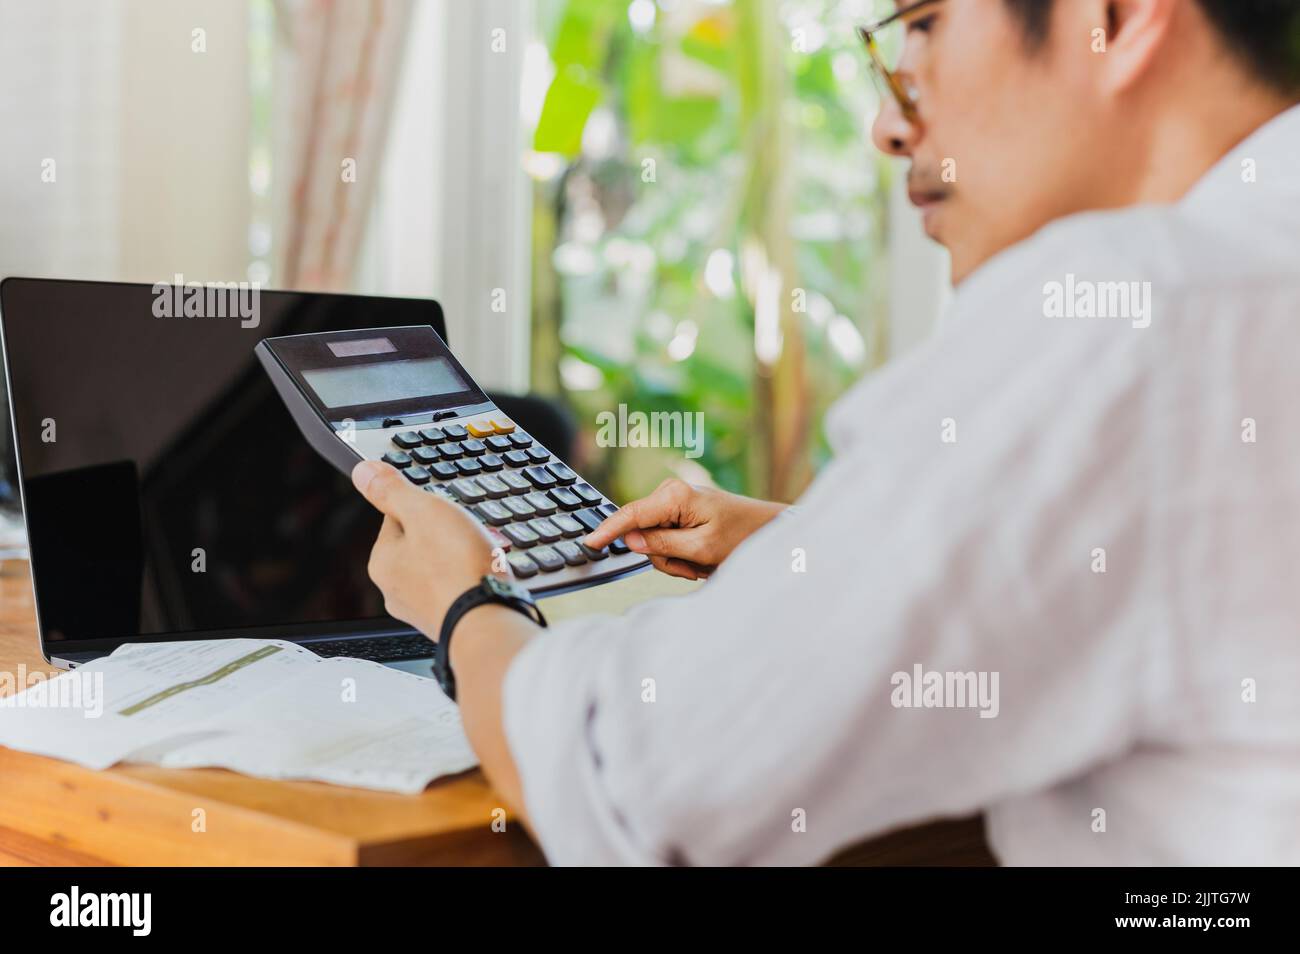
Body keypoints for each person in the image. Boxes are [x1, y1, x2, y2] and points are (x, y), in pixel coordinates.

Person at [350, 0, 1300, 864]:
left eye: (922, 29)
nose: (890, 127)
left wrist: (465, 606)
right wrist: (819, 547)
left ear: (1119, 19)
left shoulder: (1124, 309)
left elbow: (634, 780)